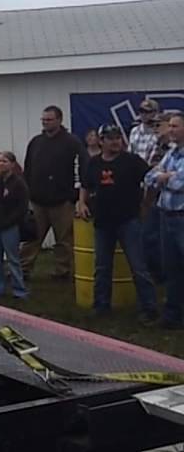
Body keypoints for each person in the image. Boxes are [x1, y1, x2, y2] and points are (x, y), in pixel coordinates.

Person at [78, 125, 156, 323]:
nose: (115, 142)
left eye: (118, 138)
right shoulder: (94, 163)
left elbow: (151, 180)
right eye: (110, 138)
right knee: (102, 266)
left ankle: (149, 308)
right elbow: (86, 185)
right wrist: (81, 202)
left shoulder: (132, 161)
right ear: (101, 141)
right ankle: (101, 306)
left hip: (128, 220)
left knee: (138, 266)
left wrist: (146, 205)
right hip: (103, 222)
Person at [21, 105, 87, 281]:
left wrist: (75, 195)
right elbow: (28, 168)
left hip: (62, 201)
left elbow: (82, 167)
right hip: (38, 199)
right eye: (43, 120)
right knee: (32, 237)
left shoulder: (72, 142)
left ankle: (62, 271)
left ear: (59, 120)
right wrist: (27, 192)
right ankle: (23, 269)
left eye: (49, 120)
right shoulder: (36, 142)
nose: (45, 123)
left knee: (63, 240)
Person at [145, 113, 184, 330]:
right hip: (166, 216)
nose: (170, 129)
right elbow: (150, 178)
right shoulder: (171, 153)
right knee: (172, 269)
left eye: (175, 126)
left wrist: (165, 177)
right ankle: (173, 315)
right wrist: (166, 176)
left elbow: (180, 184)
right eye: (169, 126)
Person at [0, 151, 29, 300]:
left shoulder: (18, 183)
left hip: (10, 225)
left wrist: (10, 221)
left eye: (4, 161)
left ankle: (19, 290)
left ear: (12, 164)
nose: (0, 164)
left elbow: (22, 206)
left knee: (13, 258)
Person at [129, 97, 162, 162]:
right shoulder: (134, 131)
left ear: (156, 113)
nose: (143, 114)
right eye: (141, 111)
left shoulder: (160, 132)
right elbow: (130, 153)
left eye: (147, 112)